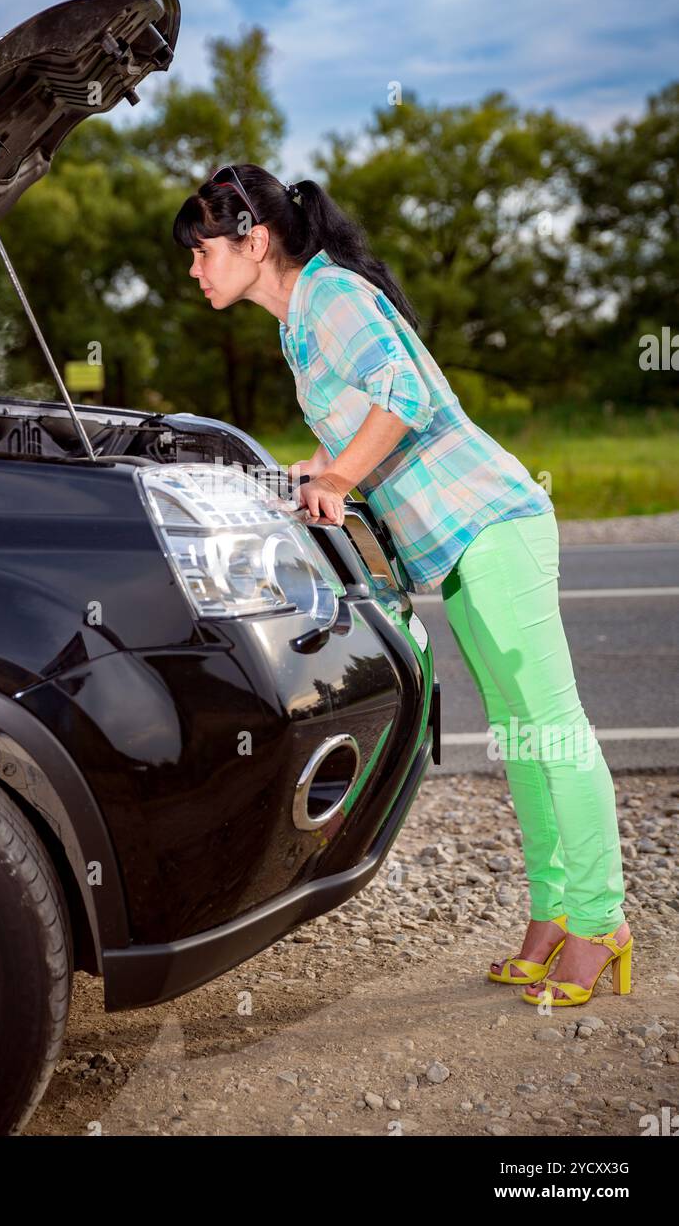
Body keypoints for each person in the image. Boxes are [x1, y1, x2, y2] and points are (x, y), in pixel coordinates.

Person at [171, 163, 632, 1007]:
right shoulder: (300, 322)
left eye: (201, 252)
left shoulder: (329, 296)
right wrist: (318, 469)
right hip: (459, 543)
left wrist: (339, 478)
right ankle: (553, 915)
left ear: (253, 240)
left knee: (552, 728)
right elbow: (370, 424)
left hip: (493, 523)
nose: (195, 270)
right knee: (521, 736)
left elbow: (408, 396)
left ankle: (603, 923)